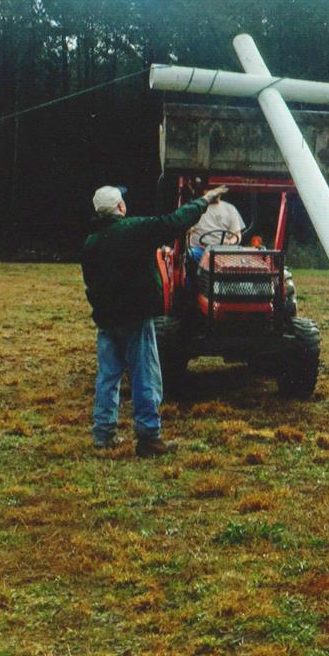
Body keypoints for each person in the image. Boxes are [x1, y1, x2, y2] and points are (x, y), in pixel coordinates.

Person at [81, 183, 228, 456]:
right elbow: (175, 222)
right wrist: (205, 200)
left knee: (107, 378)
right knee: (145, 376)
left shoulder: (92, 241)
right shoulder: (134, 230)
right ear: (120, 207)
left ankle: (103, 435)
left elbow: (90, 282)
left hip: (107, 320)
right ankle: (149, 437)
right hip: (135, 319)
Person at [186, 178, 245, 262]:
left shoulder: (230, 209)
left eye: (216, 190)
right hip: (199, 251)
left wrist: (231, 241)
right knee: (189, 255)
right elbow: (185, 230)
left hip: (222, 252)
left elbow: (237, 234)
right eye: (211, 190)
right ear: (204, 191)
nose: (215, 193)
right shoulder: (196, 208)